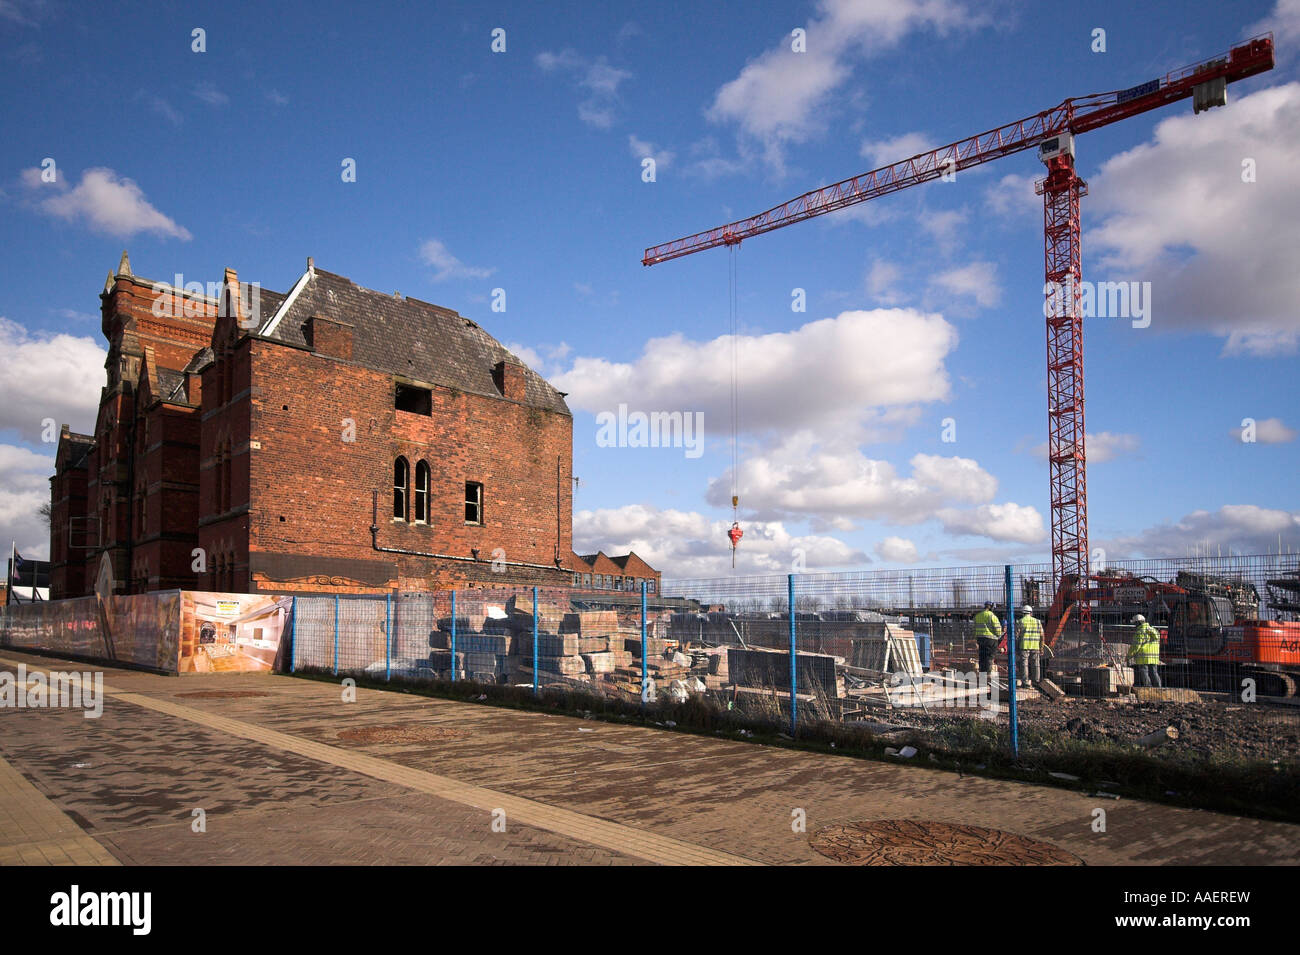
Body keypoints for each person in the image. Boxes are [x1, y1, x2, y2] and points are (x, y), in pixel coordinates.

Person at [1127, 614, 1162, 688]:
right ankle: (1159, 688)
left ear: (1138, 622)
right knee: (1154, 672)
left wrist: (1129, 656)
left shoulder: (1140, 632)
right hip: (1154, 656)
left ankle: (1148, 687)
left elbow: (1136, 646)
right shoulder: (1153, 630)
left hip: (1143, 656)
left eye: (1135, 624)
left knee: (1144, 672)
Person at [972, 601, 1002, 676]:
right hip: (991, 640)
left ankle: (982, 675)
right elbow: (998, 629)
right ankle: (988, 674)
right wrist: (999, 636)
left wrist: (976, 638)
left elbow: (974, 629)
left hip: (980, 639)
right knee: (989, 657)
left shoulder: (978, 616)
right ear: (991, 607)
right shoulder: (992, 616)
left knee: (982, 657)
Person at [1017, 604, 1043, 688]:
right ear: (1031, 613)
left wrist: (1016, 647)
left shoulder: (1020, 621)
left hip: (1024, 646)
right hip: (1035, 646)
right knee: (1036, 664)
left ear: (1023, 613)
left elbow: (1016, 636)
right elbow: (1042, 635)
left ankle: (1025, 683)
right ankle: (1036, 681)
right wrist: (1041, 647)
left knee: (1024, 664)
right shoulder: (1037, 622)